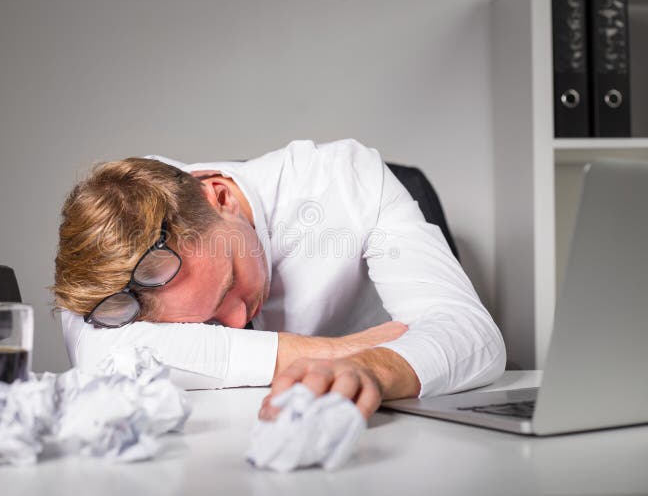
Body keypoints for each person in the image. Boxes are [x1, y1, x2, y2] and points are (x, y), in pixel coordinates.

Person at [53, 139, 506, 420]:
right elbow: (98, 356)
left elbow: (474, 336)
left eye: (230, 282)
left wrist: (371, 366)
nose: (234, 320)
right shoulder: (120, 226)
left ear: (221, 196)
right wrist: (334, 350)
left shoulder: (348, 182)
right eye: (203, 321)